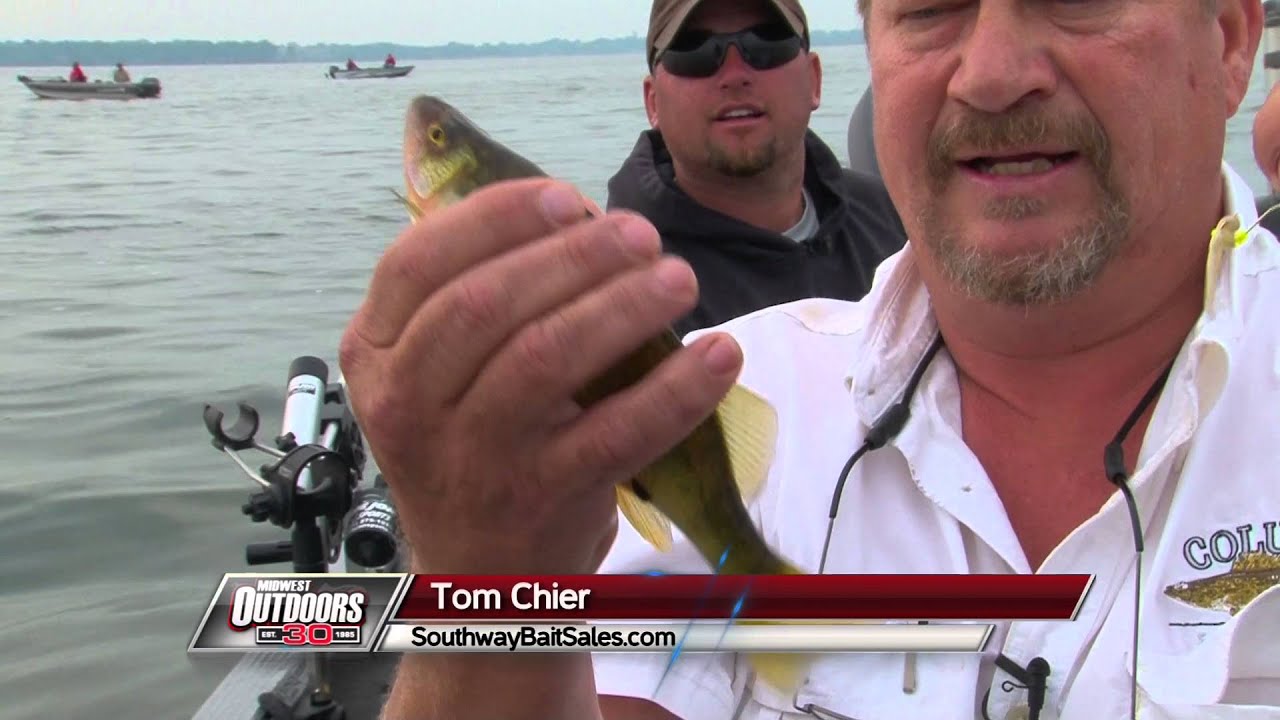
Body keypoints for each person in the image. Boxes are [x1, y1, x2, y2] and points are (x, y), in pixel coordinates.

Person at [338, 0, 1279, 718]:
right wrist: (491, 584)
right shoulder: (727, 381)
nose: (992, 74)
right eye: (930, 4)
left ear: (1233, 42)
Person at [608, 0, 904, 336]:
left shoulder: (898, 219)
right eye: (695, 51)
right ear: (653, 102)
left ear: (814, 79)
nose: (735, 76)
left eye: (767, 42)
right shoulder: (621, 288)